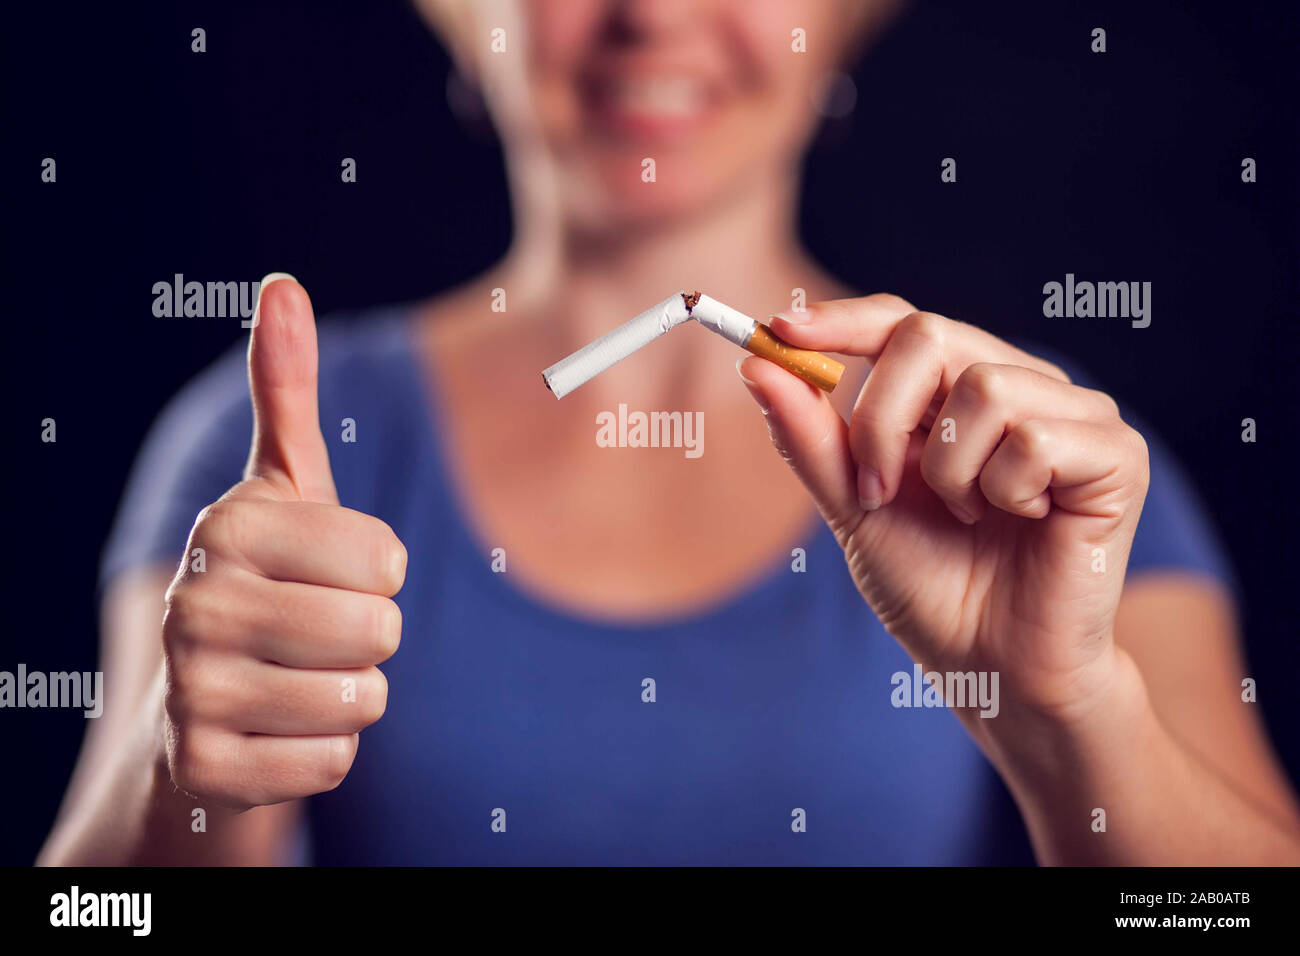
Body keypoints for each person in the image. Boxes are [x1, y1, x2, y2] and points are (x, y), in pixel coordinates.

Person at [41, 0, 1300, 865]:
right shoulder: (264, 445)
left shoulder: (1044, 463)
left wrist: (1069, 711)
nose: (651, 10)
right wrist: (185, 788)